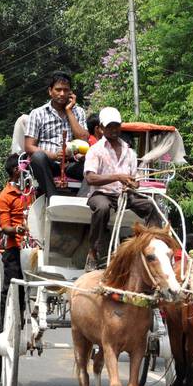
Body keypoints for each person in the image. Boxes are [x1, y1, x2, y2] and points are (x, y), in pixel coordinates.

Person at [81, 106, 159, 271]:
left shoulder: (129, 152)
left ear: (120, 126)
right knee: (102, 207)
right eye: (109, 126)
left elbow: (135, 180)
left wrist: (133, 184)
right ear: (101, 128)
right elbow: (90, 178)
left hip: (124, 195)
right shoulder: (95, 150)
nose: (113, 129)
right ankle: (93, 251)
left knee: (150, 206)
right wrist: (118, 177)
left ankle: (153, 245)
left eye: (116, 125)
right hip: (101, 193)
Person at [24, 71, 88, 200]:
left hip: (72, 163)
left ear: (71, 92)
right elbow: (29, 147)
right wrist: (53, 155)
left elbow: (83, 139)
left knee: (94, 164)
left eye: (66, 90)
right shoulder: (37, 114)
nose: (62, 94)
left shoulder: (78, 111)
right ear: (50, 91)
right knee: (37, 157)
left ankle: (82, 202)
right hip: (49, 164)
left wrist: (69, 111)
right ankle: (53, 198)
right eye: (58, 90)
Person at [0, 154, 29, 327]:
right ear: (17, 170)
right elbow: (5, 227)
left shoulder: (33, 190)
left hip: (37, 247)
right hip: (16, 248)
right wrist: (17, 229)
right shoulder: (4, 197)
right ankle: (3, 327)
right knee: (12, 288)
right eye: (25, 166)